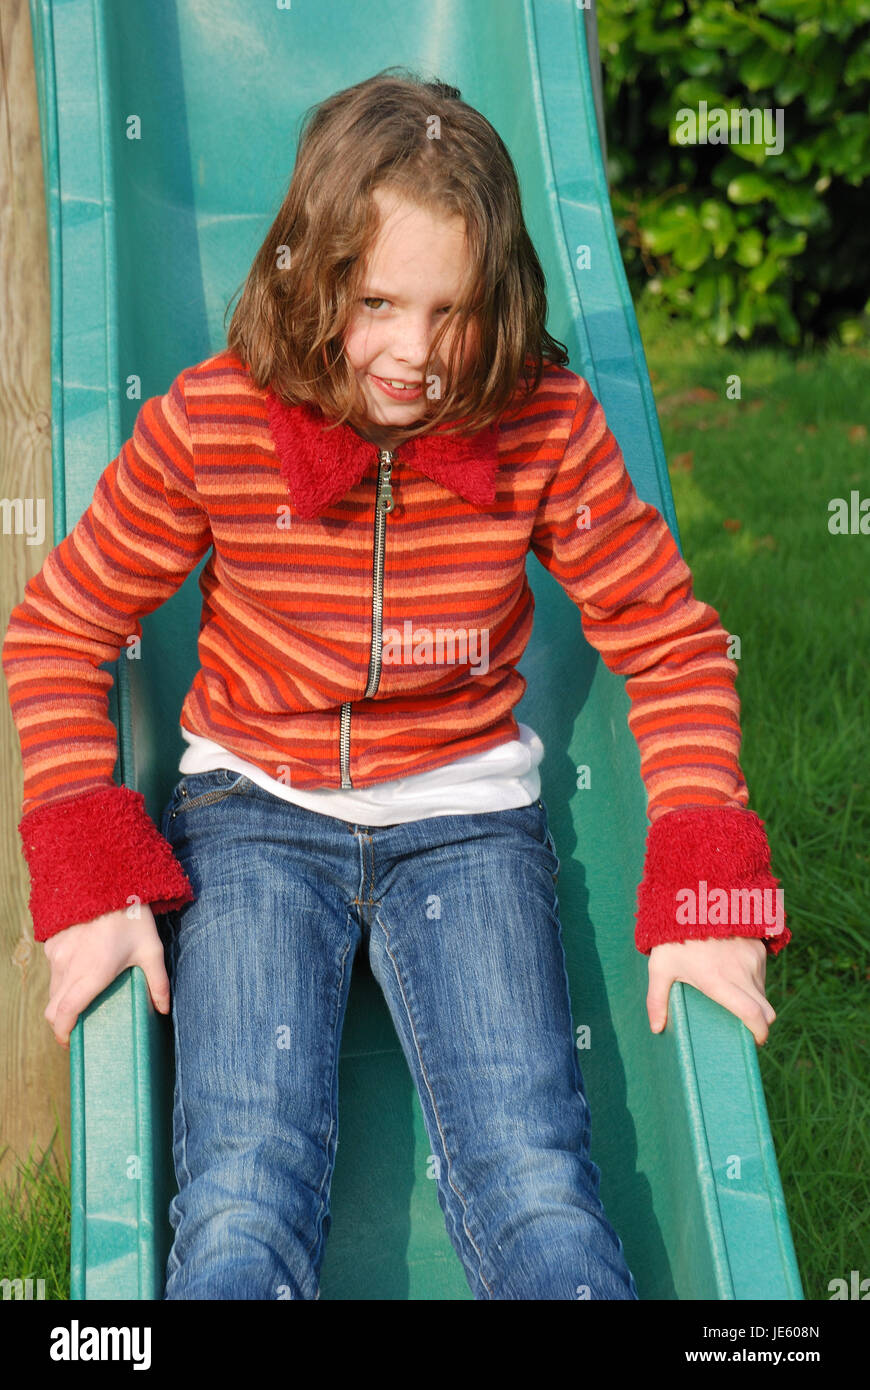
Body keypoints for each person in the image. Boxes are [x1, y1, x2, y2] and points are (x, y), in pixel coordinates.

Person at [2, 69, 789, 1301]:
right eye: (374, 301)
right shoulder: (217, 422)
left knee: (534, 1175)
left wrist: (703, 886)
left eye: (453, 310)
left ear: (502, 298)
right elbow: (61, 625)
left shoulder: (542, 423)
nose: (414, 357)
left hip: (465, 820)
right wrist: (92, 878)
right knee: (240, 1190)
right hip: (256, 813)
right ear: (307, 276)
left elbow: (670, 632)